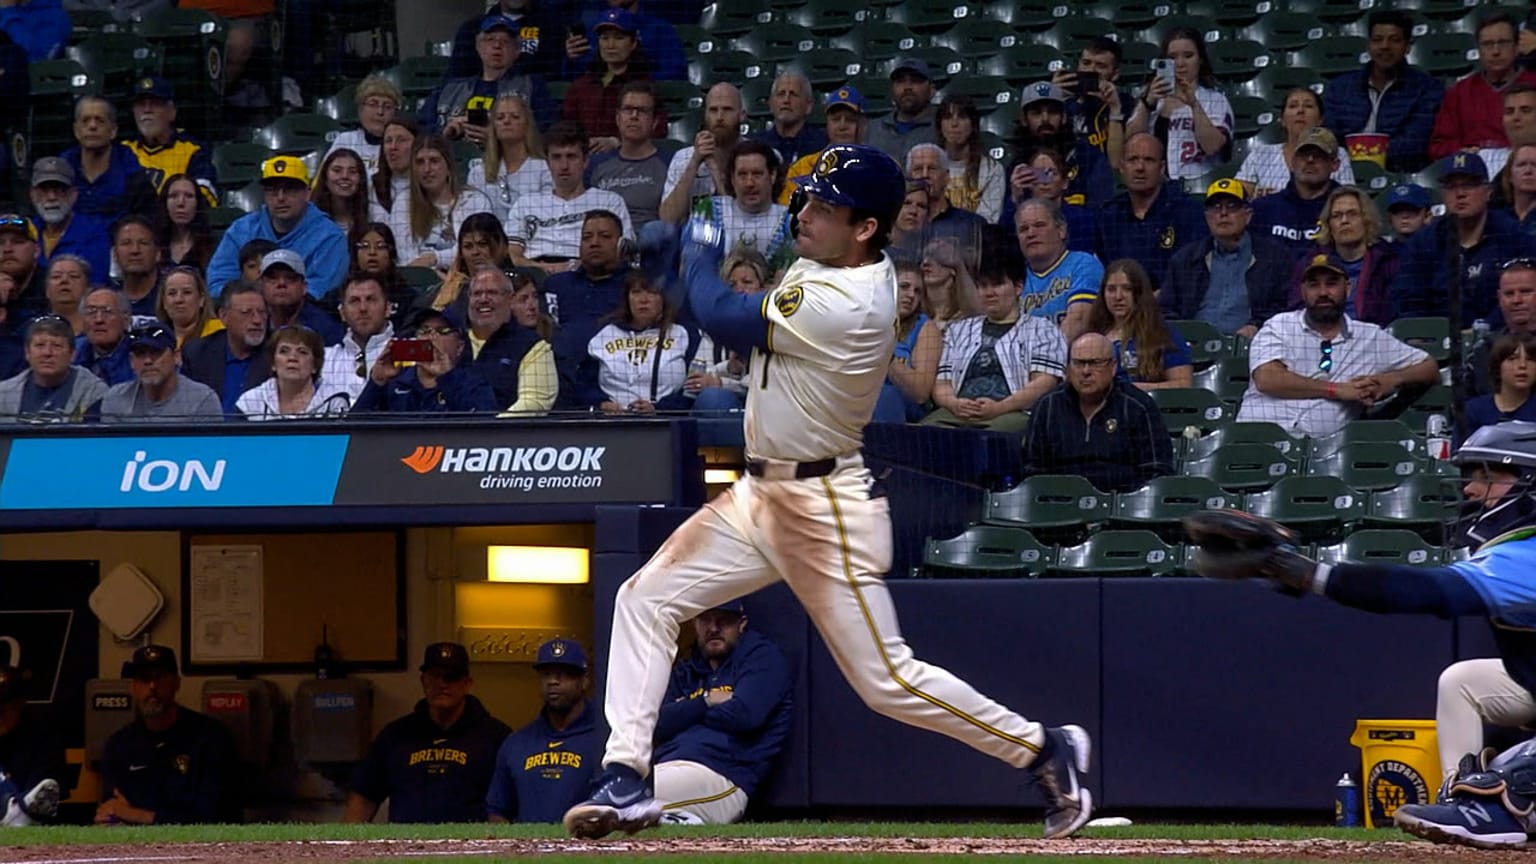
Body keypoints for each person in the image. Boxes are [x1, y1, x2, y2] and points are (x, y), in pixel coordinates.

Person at [561, 144, 1094, 842]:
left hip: (823, 508)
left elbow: (728, 317)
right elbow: (737, 305)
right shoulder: (821, 263)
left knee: (887, 684)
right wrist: (686, 275)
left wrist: (691, 263)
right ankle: (628, 774)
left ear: (866, 228)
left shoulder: (853, 298)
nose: (804, 213)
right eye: (808, 198)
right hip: (759, 493)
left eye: (824, 205)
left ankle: (1044, 748)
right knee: (644, 598)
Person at [1183, 423, 1536, 849]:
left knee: (1515, 774)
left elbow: (1426, 592)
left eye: (1489, 476)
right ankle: (1467, 795)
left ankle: (1490, 809)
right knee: (1467, 686)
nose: (1471, 490)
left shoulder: (1527, 556)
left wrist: (1300, 571)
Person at [1237, 252, 1440, 439]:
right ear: (1303, 291)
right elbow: (1267, 379)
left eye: (1332, 283)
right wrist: (1336, 390)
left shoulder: (1370, 337)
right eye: (1314, 285)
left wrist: (1390, 380)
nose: (1323, 292)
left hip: (1327, 457)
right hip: (1256, 442)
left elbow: (1429, 368)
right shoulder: (1279, 325)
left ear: (1348, 288)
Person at [651, 600, 793, 825]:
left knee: (623, 797)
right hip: (668, 766)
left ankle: (672, 818)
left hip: (723, 777)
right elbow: (658, 724)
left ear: (741, 624)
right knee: (614, 795)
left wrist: (685, 708)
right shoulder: (686, 669)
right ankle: (680, 821)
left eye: (724, 620)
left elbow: (744, 716)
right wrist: (706, 701)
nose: (714, 628)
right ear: (695, 623)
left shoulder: (761, 657)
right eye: (706, 619)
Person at [345, 643, 511, 824]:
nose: (442, 684)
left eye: (451, 677)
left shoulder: (496, 737)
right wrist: (346, 847)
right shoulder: (394, 736)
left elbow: (506, 806)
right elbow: (363, 798)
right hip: (406, 847)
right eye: (435, 676)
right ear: (423, 680)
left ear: (467, 684)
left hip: (470, 848)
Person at [926, 236, 1066, 430]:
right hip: (957, 413)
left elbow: (1043, 384)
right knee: (924, 435)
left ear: (1018, 287)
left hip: (1013, 413)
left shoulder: (1042, 329)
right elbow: (941, 384)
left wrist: (999, 407)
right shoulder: (958, 330)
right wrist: (954, 404)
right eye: (983, 286)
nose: (989, 292)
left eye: (997, 284)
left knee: (990, 440)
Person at [96, 645, 239, 825]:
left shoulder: (210, 738)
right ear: (133, 687)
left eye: (160, 678)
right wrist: (116, 815)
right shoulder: (119, 745)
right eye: (144, 679)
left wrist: (135, 815)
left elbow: (214, 817)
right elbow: (109, 810)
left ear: (176, 683)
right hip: (134, 847)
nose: (152, 687)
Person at [1022, 332, 1174, 492]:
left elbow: (1157, 469)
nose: (1086, 371)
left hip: (1122, 504)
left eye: (1095, 363)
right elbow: (1033, 470)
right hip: (1061, 503)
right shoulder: (1048, 407)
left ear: (1113, 367)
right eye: (1079, 363)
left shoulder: (1138, 406)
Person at [1393, 152, 1531, 326]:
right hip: (1438, 341)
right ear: (1443, 194)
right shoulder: (1423, 243)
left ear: (1488, 192)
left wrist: (1486, 328)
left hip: (1501, 338)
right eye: (1451, 186)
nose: (1460, 194)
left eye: (1469, 185)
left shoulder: (1512, 235)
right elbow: (1408, 300)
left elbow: (1526, 296)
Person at [486, 639, 600, 824]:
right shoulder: (517, 744)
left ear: (584, 681)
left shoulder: (607, 741)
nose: (553, 681)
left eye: (564, 674)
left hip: (587, 851)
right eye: (546, 674)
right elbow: (498, 811)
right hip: (527, 851)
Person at [1160, 178, 1292, 339]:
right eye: (1216, 207)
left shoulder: (1274, 258)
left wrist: (1257, 325)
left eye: (1232, 206)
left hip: (1252, 347)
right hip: (1191, 348)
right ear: (1207, 217)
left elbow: (1283, 307)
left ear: (1247, 215)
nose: (1223, 213)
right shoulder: (1185, 259)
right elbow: (1166, 310)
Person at [207, 156, 350, 301]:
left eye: (289, 190)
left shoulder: (329, 236)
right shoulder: (242, 229)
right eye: (272, 190)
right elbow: (218, 282)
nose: (280, 198)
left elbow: (319, 291)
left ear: (307, 193)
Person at [1323, 10, 1442, 173]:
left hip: (1401, 173)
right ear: (1368, 45)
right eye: (1377, 40)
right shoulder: (1340, 88)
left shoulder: (1427, 88)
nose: (1385, 46)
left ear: (1407, 47)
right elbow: (1330, 137)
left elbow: (1415, 143)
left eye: (1394, 40)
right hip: (1344, 173)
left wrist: (1366, 160)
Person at [506, 122, 633, 274]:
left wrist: (574, 268)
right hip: (535, 276)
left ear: (585, 161)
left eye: (571, 157)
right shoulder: (526, 204)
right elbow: (512, 256)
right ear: (547, 162)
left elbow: (623, 253)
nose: (564, 165)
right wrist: (546, 269)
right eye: (557, 157)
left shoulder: (609, 201)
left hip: (590, 274)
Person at [1096, 133, 1209, 293]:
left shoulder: (1187, 212)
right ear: (1122, 167)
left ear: (1162, 168)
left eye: (1148, 160)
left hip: (1172, 309)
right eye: (1133, 160)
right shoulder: (1108, 216)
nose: (1140, 168)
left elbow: (1193, 274)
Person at [582, 271, 704, 414]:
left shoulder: (684, 333)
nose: (643, 300)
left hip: (667, 421)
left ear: (665, 299)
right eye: (636, 292)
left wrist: (659, 409)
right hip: (610, 421)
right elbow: (584, 382)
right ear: (627, 299)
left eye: (652, 293)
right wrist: (601, 403)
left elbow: (693, 387)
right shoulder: (605, 333)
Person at [422, 13, 555, 140]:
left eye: (505, 42)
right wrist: (445, 133)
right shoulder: (450, 88)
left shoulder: (532, 85)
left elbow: (546, 130)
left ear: (517, 51)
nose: (497, 46)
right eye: (490, 40)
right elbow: (421, 128)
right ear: (478, 47)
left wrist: (500, 138)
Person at [1125, 27, 1233, 181]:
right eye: (1172, 57)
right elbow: (1129, 145)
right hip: (1155, 188)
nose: (1180, 64)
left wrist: (1194, 105)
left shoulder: (1215, 100)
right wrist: (1147, 104)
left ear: (1200, 59)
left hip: (1198, 184)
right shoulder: (1150, 99)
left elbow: (1213, 147)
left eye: (1188, 56)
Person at [548, 210, 631, 408]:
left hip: (613, 377)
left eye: (604, 236)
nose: (594, 243)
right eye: (587, 237)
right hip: (558, 376)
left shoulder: (635, 286)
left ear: (620, 244)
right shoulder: (556, 285)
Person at [375, 135, 495, 270]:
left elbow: (478, 249)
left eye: (434, 161)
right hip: (420, 278)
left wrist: (435, 258)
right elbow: (405, 256)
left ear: (448, 166)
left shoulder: (474, 200)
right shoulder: (403, 202)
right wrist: (431, 274)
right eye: (420, 162)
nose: (427, 169)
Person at [1430, 10, 1536, 161]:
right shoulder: (1459, 93)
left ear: (1516, 47)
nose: (1496, 51)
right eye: (1487, 44)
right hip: (1474, 174)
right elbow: (1438, 146)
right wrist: (1462, 151)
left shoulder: (1533, 84)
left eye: (1503, 43)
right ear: (1479, 50)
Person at [352, 309, 499, 415]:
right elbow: (353, 429)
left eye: (442, 331)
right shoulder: (396, 382)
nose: (431, 337)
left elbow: (484, 428)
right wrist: (376, 382)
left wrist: (447, 378)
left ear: (459, 347)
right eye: (425, 330)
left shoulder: (473, 384)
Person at [1288, 187, 1399, 326]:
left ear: (1366, 220)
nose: (1344, 221)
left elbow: (1396, 313)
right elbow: (1296, 309)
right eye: (1336, 215)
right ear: (1329, 224)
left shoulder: (1388, 261)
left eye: (1352, 214)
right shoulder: (1310, 262)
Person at [1004, 82, 1112, 220]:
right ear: (1024, 119)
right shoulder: (1017, 168)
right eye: (1036, 113)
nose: (1045, 119)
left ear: (1064, 117)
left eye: (1052, 112)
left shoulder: (1088, 156)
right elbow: (1006, 229)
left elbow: (1103, 210)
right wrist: (1014, 199)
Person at [561, 8, 666, 145]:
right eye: (605, 38)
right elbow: (566, 127)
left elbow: (659, 129)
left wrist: (617, 142)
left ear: (633, 43)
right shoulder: (581, 86)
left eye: (619, 38)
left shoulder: (645, 88)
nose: (610, 45)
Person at [1087, 258, 1193, 389]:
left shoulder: (1164, 334)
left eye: (1127, 289)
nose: (1118, 296)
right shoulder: (1091, 336)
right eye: (1111, 289)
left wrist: (1132, 390)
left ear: (1139, 293)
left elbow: (1183, 385)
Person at [463, 268, 557, 412]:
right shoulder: (453, 340)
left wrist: (486, 429)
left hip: (505, 433)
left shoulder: (534, 346)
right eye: (477, 294)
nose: (483, 299)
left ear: (510, 299)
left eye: (492, 293)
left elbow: (534, 403)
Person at [1238, 88, 1355, 198]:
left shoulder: (1336, 153)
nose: (1300, 111)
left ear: (1320, 120)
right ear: (1282, 120)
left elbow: (1347, 199)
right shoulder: (1260, 154)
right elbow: (1239, 196)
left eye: (1308, 106)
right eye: (1293, 106)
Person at [688, 248, 764, 415]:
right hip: (724, 408)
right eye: (732, 285)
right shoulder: (712, 328)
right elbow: (697, 378)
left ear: (762, 287)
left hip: (766, 407)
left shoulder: (770, 325)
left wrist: (722, 382)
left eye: (747, 282)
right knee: (711, 399)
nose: (739, 289)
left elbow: (768, 384)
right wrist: (729, 369)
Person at [1249, 126, 1345, 256]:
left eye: (1319, 155)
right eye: (1304, 154)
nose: (1310, 160)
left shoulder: (1345, 212)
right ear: (1293, 162)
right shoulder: (1263, 209)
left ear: (1335, 165)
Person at [181, 282, 272, 415]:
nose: (257, 320)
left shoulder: (276, 351)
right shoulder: (198, 354)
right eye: (246, 312)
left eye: (262, 312)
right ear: (223, 316)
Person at [99, 323, 222, 422]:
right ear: (131, 361)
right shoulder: (116, 399)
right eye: (140, 354)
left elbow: (209, 451)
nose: (148, 361)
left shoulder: (202, 399)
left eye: (156, 352)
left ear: (176, 357)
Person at [659, 83, 744, 226]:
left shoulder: (757, 157)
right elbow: (667, 219)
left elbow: (739, 222)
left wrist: (714, 169)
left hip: (742, 236)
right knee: (655, 231)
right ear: (705, 114)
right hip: (691, 237)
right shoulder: (683, 158)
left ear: (742, 115)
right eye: (713, 110)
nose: (719, 117)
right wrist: (694, 162)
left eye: (727, 110)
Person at [586, 82, 668, 227]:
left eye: (642, 111)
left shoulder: (669, 163)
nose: (634, 116)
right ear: (618, 118)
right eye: (628, 109)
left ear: (654, 122)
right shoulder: (596, 164)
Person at [121, 76, 216, 203]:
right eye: (141, 104)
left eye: (155, 104)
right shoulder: (122, 151)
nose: (147, 110)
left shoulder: (193, 151)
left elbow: (202, 198)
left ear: (172, 112)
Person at [1016, 198, 1101, 340]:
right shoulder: (1015, 276)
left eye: (1039, 225)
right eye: (1023, 229)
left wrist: (1046, 359)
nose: (1030, 233)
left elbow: (1079, 320)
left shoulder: (1083, 263)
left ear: (1061, 230)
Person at [61, 96, 154, 221]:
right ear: (76, 130)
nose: (92, 126)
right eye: (85, 120)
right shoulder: (62, 170)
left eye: (100, 120)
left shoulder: (132, 172)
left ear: (113, 131)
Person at [1051, 35, 1136, 172]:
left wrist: (1115, 109)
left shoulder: (1126, 103)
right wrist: (1050, 100)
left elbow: (1117, 164)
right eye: (1086, 63)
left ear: (1115, 74)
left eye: (1100, 66)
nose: (1091, 70)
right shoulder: (1064, 101)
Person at [0, 314, 106, 422]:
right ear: (27, 353)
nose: (47, 353)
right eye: (40, 345)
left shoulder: (93, 392)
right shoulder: (3, 394)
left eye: (57, 346)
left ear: (72, 354)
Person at [234, 323, 351, 419]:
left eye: (302, 352)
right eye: (284, 351)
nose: (292, 358)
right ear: (273, 363)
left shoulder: (333, 404)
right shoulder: (250, 402)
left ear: (315, 365)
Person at [876, 259, 939, 423]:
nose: (911, 295)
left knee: (885, 395)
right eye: (904, 287)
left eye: (918, 291)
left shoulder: (925, 327)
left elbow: (920, 393)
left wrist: (885, 354)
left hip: (904, 405)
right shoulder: (864, 321)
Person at [780, 87, 867, 206]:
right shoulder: (801, 168)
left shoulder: (881, 166)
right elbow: (788, 214)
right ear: (827, 124)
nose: (842, 126)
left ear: (864, 124)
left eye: (850, 120)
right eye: (835, 119)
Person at [0, 665, 63, 827]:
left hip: (31, 825)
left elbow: (42, 797)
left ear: (20, 705)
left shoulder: (41, 738)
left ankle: (15, 810)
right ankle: (14, 811)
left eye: (4, 709)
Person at [465, 94, 552, 211]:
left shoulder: (544, 169)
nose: (506, 121)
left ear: (527, 123)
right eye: (500, 118)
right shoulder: (478, 173)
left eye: (515, 117)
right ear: (493, 126)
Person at [29, 156, 110, 279]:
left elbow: (95, 282)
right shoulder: (27, 232)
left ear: (74, 195)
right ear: (33, 195)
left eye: (59, 190)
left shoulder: (94, 232)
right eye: (44, 190)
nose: (51, 197)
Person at [425, 213, 511, 325]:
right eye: (468, 246)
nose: (475, 252)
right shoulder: (442, 292)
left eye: (482, 244)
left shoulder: (520, 285)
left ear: (502, 246)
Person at [707, 140, 789, 257]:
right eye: (742, 174)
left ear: (772, 176)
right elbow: (699, 267)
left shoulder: (790, 221)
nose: (749, 183)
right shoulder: (709, 212)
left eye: (757, 174)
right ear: (732, 178)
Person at [1466, 259, 1536, 397]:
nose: (1516, 300)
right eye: (1509, 294)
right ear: (1499, 298)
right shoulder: (1486, 349)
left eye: (1526, 292)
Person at [321, 274, 395, 400]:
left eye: (371, 299)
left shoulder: (410, 352)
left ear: (388, 308)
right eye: (354, 301)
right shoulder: (324, 359)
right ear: (342, 313)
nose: (363, 308)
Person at [1014, 145, 1098, 256]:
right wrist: (1015, 197)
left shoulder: (1083, 219)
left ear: (1065, 183)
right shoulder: (1014, 217)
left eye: (1051, 173)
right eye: (1038, 174)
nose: (1045, 182)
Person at [937, 95, 1004, 223]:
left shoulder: (992, 169)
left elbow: (988, 220)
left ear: (973, 124)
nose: (954, 124)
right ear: (940, 125)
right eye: (947, 117)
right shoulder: (929, 167)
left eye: (962, 117)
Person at [256, 249, 344, 345]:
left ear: (304, 287)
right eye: (272, 278)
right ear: (261, 285)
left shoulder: (325, 328)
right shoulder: (250, 319)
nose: (281, 283)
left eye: (290, 278)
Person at [323, 74, 402, 176]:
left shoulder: (401, 145)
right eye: (373, 104)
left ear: (395, 112)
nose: (380, 111)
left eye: (387, 106)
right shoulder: (345, 141)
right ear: (360, 109)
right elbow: (325, 179)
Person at [1463, 332, 1536, 439]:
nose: (1522, 365)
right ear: (1498, 366)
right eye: (1512, 359)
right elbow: (1460, 453)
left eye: (1530, 360)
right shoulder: (1474, 410)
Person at [865, 57, 937, 163]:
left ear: (932, 90)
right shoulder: (872, 129)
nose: (907, 87)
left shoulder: (942, 128)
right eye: (900, 81)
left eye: (915, 81)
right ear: (891, 89)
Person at [752, 72, 828, 169]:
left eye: (793, 94)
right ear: (770, 104)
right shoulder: (755, 146)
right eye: (781, 94)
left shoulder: (823, 145)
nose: (786, 100)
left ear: (808, 106)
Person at [74, 287, 133, 385]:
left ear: (126, 320)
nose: (99, 320)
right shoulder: (72, 350)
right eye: (91, 312)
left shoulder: (139, 354)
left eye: (107, 312)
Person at [155, 174, 214, 270]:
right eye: (173, 196)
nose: (181, 203)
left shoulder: (214, 248)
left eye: (189, 196)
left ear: (197, 204)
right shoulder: (153, 246)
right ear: (165, 202)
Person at [155, 266, 223, 349]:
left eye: (187, 292)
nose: (179, 299)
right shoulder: (156, 336)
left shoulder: (219, 331)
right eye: (172, 293)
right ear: (164, 302)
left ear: (201, 299)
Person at [110, 215, 163, 318]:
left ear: (158, 254)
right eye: (126, 243)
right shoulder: (108, 300)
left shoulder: (172, 297)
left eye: (143, 243)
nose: (135, 250)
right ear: (115, 254)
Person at [313, 149, 370, 236]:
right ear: (325, 176)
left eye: (352, 171)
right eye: (337, 170)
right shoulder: (308, 217)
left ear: (361, 178)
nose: (345, 176)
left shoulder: (376, 216)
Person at [370, 118, 418, 214]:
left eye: (402, 140)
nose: (393, 147)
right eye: (388, 141)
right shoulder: (371, 187)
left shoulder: (430, 186)